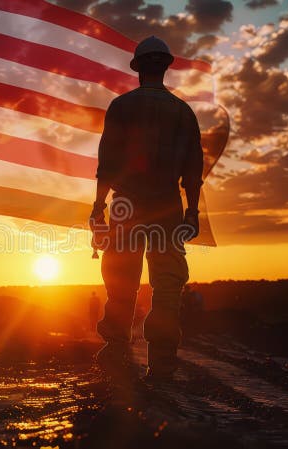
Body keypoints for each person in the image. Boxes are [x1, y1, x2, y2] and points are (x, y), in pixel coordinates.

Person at [89, 36, 204, 381]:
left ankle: (115, 353)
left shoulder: (121, 107)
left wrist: (98, 208)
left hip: (126, 207)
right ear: (165, 67)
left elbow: (107, 164)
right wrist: (192, 212)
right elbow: (193, 171)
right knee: (167, 285)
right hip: (167, 208)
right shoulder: (183, 112)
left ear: (138, 69)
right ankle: (163, 363)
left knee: (121, 281)